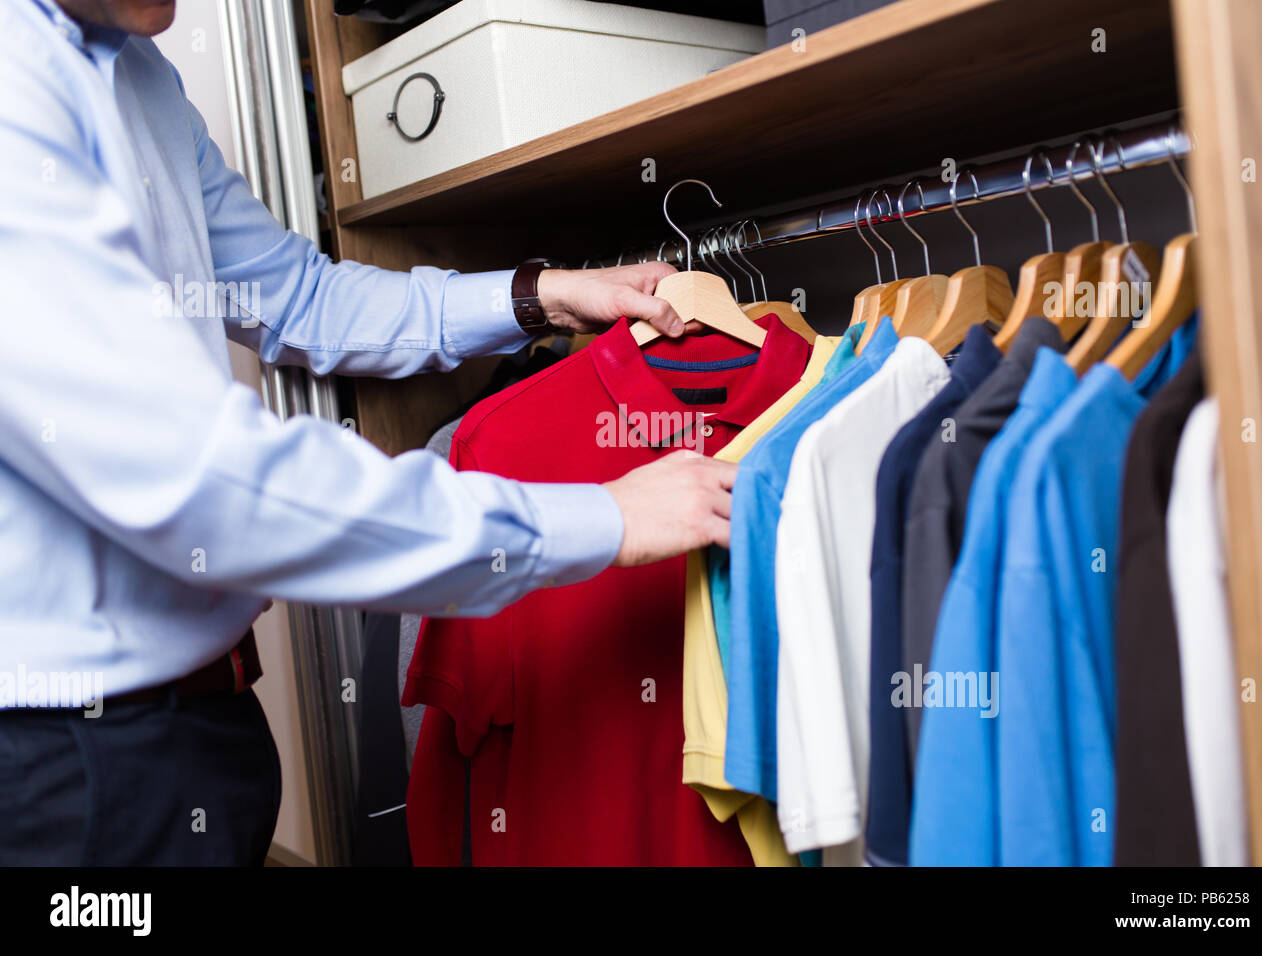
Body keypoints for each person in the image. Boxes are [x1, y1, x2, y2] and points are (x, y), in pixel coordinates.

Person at [0, 0, 738, 865]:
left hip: (203, 729)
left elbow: (295, 295)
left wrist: (539, 294)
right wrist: (601, 518)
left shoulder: (141, 74)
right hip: (74, 772)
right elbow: (209, 485)